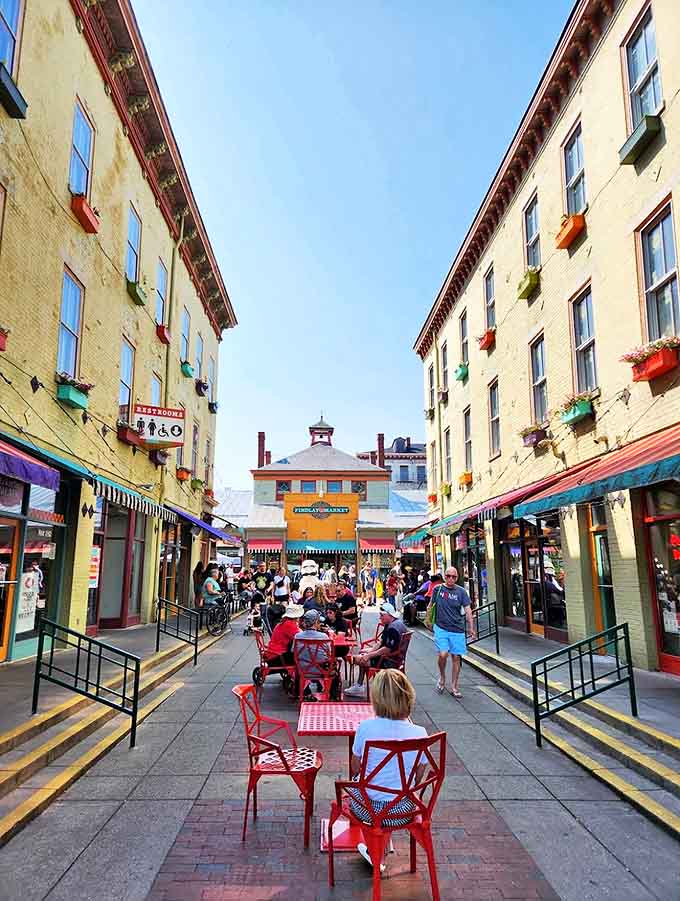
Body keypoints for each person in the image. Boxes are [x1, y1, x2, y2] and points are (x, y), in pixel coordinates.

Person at [349, 669, 427, 872]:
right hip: (403, 810)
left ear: (376, 699)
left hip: (368, 809)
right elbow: (418, 775)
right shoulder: (420, 733)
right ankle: (382, 843)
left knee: (360, 786)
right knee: (396, 787)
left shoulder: (366, 728)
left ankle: (376, 851)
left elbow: (355, 767)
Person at [428, 566, 475, 698]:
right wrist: (429, 620)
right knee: (443, 654)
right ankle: (442, 677)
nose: (450, 579)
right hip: (441, 627)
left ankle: (454, 685)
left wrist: (471, 627)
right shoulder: (437, 589)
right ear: (444, 576)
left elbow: (468, 610)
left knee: (456, 657)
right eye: (448, 576)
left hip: (457, 629)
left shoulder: (461, 592)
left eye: (454, 577)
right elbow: (430, 605)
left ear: (457, 578)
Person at [345, 602, 407, 696]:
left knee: (358, 659)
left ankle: (359, 685)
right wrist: (369, 652)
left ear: (389, 615)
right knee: (362, 653)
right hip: (395, 657)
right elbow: (381, 642)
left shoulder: (392, 628)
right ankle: (359, 685)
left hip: (389, 660)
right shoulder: (396, 623)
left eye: (382, 615)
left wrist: (369, 655)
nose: (380, 617)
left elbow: (387, 649)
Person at [293, 609, 332, 700]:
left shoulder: (297, 636)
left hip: (303, 669)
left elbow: (294, 652)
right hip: (321, 671)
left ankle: (301, 693)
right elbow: (329, 654)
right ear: (316, 622)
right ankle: (331, 694)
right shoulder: (324, 637)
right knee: (334, 667)